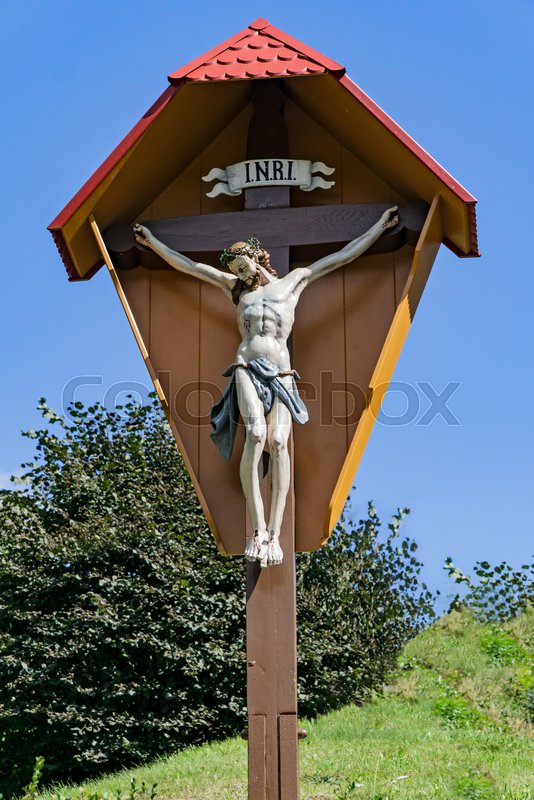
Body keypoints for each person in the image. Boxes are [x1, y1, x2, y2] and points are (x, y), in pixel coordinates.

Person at [133, 206, 399, 567]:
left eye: (243, 265)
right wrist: (153, 244)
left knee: (278, 442)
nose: (239, 273)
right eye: (235, 270)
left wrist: (380, 227)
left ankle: (274, 534)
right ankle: (257, 531)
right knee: (256, 434)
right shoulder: (235, 290)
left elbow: (342, 256)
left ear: (256, 258)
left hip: (282, 374)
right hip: (245, 365)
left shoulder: (292, 283)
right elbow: (193, 268)